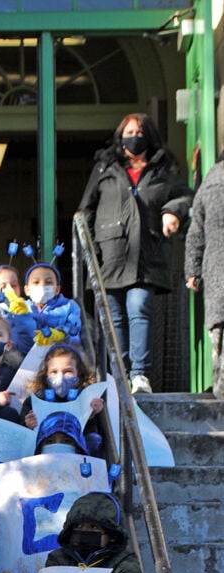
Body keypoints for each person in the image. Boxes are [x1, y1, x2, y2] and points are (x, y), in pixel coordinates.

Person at [79, 112, 193, 394]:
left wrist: (171, 211)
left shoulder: (163, 171)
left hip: (148, 254)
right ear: (120, 137)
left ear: (149, 137)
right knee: (115, 318)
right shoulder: (105, 169)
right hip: (110, 254)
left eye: (140, 132)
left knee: (138, 308)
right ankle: (119, 375)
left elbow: (187, 196)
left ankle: (139, 375)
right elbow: (86, 210)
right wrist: (90, 250)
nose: (134, 137)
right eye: (129, 131)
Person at [185, 151, 224, 399]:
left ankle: (221, 393)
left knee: (219, 340)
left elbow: (195, 233)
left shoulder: (211, 180)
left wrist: (193, 270)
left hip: (217, 273)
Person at [22, 262, 82, 348]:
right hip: (28, 355)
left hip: (59, 353)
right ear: (27, 290)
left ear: (57, 289)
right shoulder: (22, 308)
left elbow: (74, 333)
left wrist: (60, 333)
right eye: (36, 282)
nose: (42, 285)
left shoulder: (69, 306)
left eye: (49, 282)